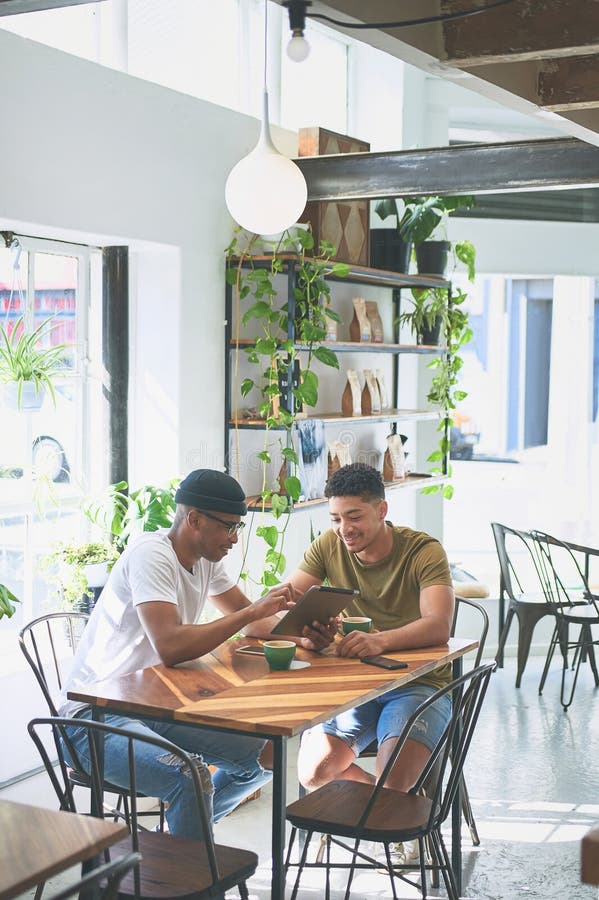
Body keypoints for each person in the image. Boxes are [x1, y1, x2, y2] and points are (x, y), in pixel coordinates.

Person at [59, 468, 334, 839]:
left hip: (154, 706)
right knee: (189, 777)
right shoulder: (151, 555)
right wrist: (252, 611)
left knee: (266, 756)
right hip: (95, 717)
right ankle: (195, 872)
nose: (235, 539)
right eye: (229, 527)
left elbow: (253, 625)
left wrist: (305, 636)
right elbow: (171, 647)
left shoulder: (206, 559)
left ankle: (185, 846)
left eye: (239, 527)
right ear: (194, 520)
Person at [288, 462, 454, 861]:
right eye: (336, 518)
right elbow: (288, 606)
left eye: (354, 517)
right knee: (313, 773)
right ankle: (399, 809)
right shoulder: (329, 545)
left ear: (381, 510)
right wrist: (308, 631)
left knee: (394, 781)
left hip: (421, 683)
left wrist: (379, 641)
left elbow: (438, 626)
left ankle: (398, 810)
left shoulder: (423, 550)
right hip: (358, 685)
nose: (344, 529)